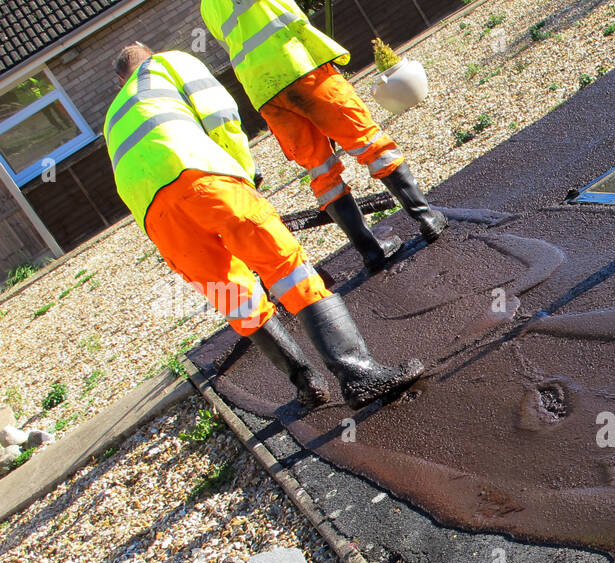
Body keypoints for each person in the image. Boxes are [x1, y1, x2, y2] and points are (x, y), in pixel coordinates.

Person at [105, 42, 423, 410]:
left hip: (153, 214)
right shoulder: (168, 64)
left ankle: (306, 385)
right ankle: (358, 374)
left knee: (231, 294)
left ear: (119, 82)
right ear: (150, 56)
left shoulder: (114, 114)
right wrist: (244, 175)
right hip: (199, 174)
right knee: (285, 267)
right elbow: (220, 114)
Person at [200, 0, 447, 273]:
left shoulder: (207, 8)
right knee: (368, 141)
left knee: (321, 171)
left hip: (264, 92)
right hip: (300, 65)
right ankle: (426, 217)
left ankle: (371, 251)